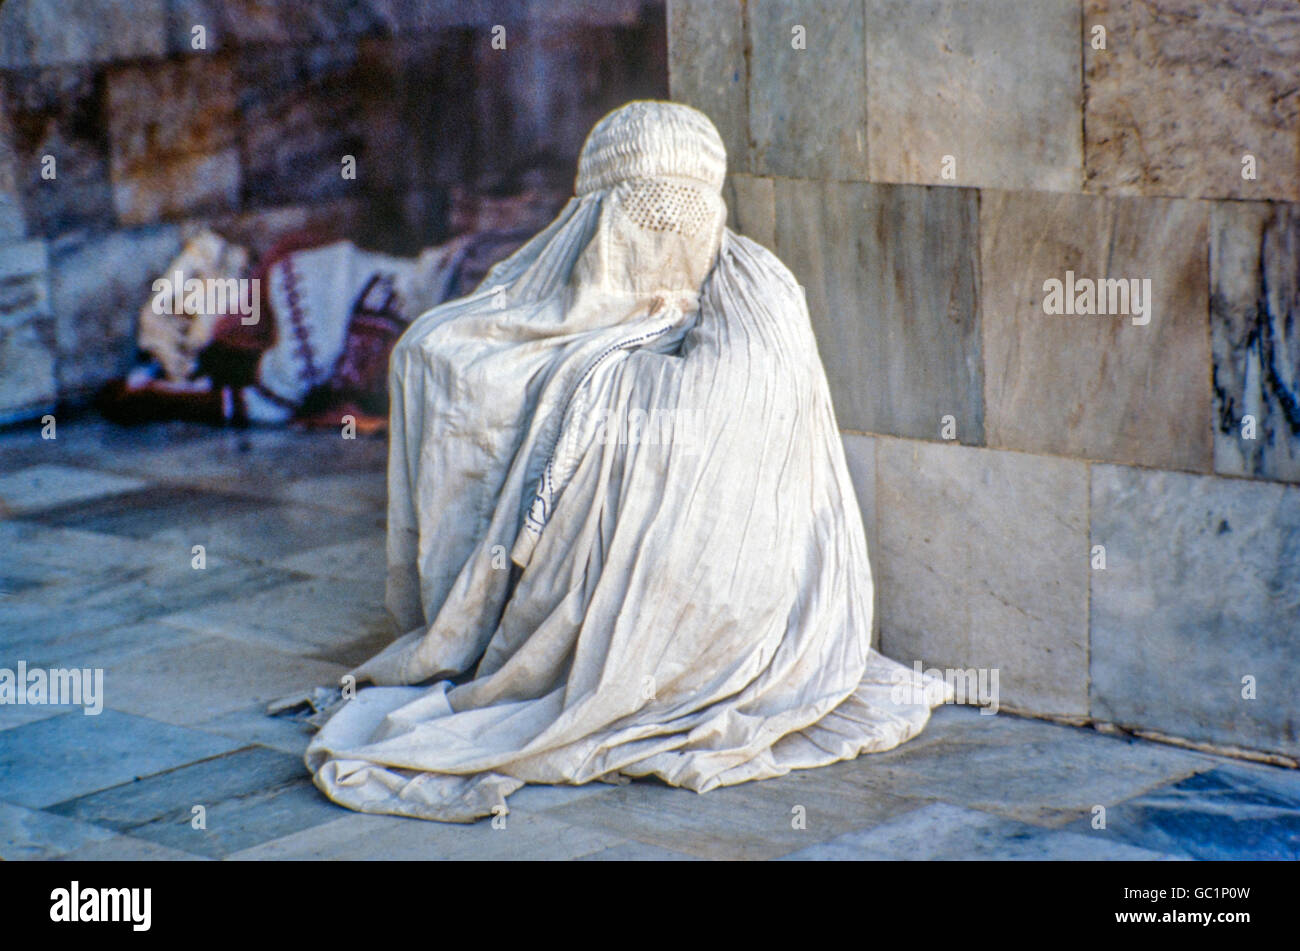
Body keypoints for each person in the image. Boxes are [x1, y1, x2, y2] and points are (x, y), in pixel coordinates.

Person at [305, 100, 949, 822]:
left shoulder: (758, 286)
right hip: (594, 348)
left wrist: (613, 375)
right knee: (435, 355)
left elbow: (721, 399)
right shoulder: (564, 270)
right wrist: (599, 351)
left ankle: (620, 658)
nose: (666, 232)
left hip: (731, 602)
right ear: (596, 213)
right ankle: (487, 630)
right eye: (645, 209)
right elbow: (528, 323)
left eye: (685, 209)